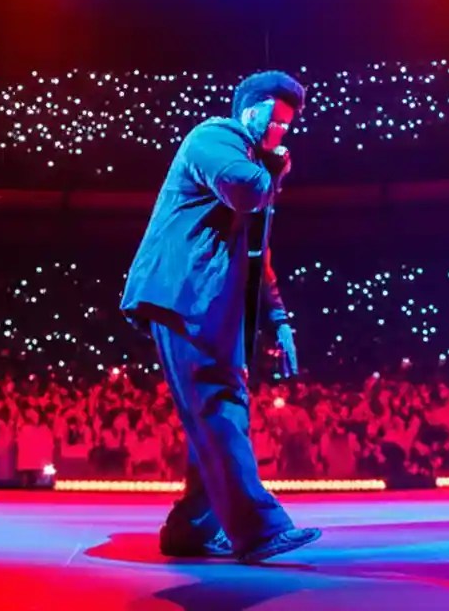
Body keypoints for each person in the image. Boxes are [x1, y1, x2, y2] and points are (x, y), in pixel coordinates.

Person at [120, 70, 321, 564]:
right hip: (184, 296)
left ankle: (190, 529)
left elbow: (258, 258)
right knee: (218, 402)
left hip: (210, 301)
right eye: (275, 120)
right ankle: (258, 529)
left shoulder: (255, 159)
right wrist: (276, 163)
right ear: (248, 110)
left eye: (287, 126)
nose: (281, 132)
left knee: (213, 411)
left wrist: (282, 323)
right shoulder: (214, 136)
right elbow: (246, 191)